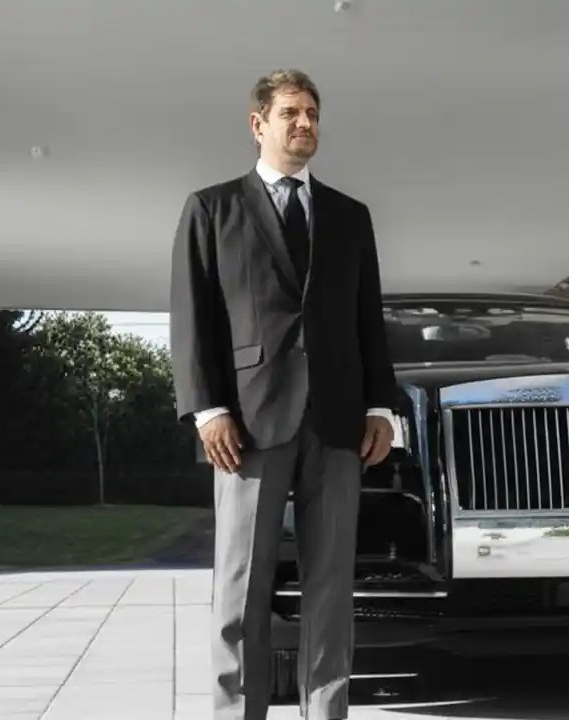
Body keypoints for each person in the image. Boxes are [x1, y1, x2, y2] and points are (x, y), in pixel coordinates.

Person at [169, 68, 397, 720]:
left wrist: (380, 406)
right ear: (258, 123)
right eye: (292, 113)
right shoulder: (211, 209)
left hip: (337, 422)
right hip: (247, 421)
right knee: (241, 586)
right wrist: (207, 408)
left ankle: (325, 712)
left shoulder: (351, 217)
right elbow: (194, 316)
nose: (305, 125)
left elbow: (365, 318)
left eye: (313, 115)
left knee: (331, 587)